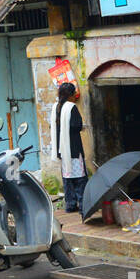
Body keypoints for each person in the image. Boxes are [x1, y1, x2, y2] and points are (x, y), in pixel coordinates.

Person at [54, 82, 87, 214]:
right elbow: (76, 126)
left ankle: (70, 204)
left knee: (67, 177)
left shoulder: (57, 107)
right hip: (73, 148)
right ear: (71, 94)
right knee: (80, 178)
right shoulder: (71, 107)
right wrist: (82, 126)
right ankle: (83, 206)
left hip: (62, 148)